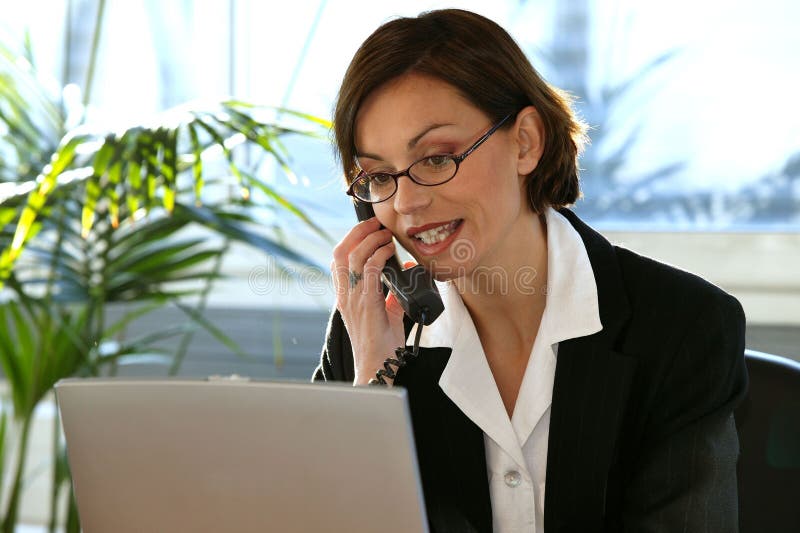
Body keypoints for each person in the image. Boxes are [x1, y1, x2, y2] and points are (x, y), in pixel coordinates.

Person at [313, 8, 747, 533]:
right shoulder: (369, 337)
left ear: (525, 142)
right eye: (379, 176)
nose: (404, 204)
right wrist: (373, 390)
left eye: (435, 158)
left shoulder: (681, 327)